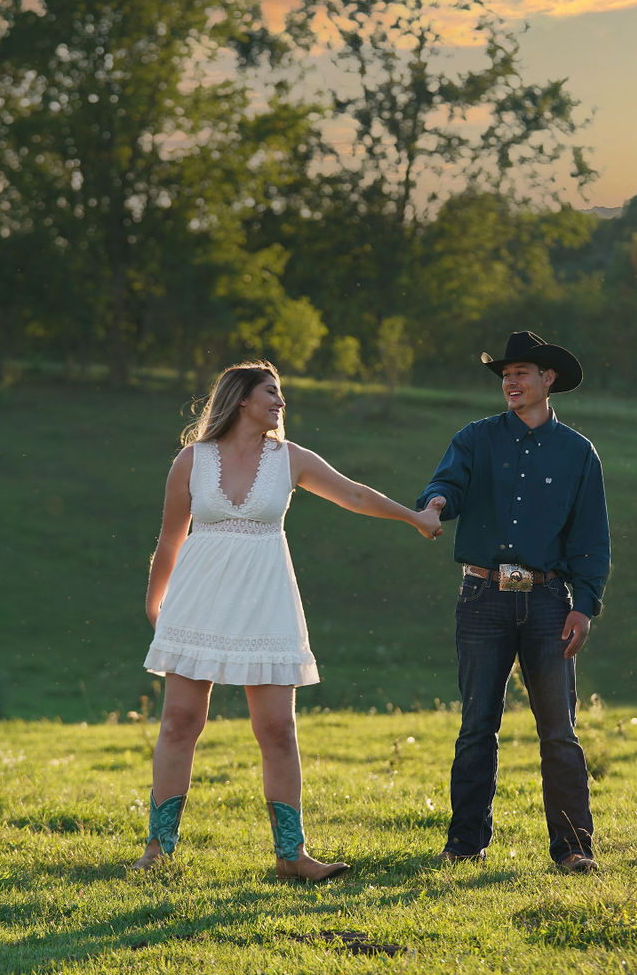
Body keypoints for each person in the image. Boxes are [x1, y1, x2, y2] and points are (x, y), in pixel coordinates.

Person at [135, 359, 442, 881]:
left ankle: (292, 855)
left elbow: (353, 494)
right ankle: (157, 850)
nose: (281, 402)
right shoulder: (192, 460)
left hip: (266, 602)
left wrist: (414, 518)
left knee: (277, 728)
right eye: (271, 392)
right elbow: (170, 538)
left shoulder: (290, 459)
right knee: (179, 721)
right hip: (196, 602)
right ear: (241, 399)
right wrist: (154, 602)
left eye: (280, 394)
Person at [417, 331, 611, 874]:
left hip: (550, 601)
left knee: (559, 731)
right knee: (477, 724)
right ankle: (464, 844)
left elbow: (591, 538)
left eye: (521, 372)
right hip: (482, 597)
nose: (510, 382)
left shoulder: (578, 453)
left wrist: (584, 606)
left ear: (548, 379)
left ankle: (573, 849)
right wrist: (434, 505)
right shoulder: (475, 439)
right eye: (505, 375)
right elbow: (446, 485)